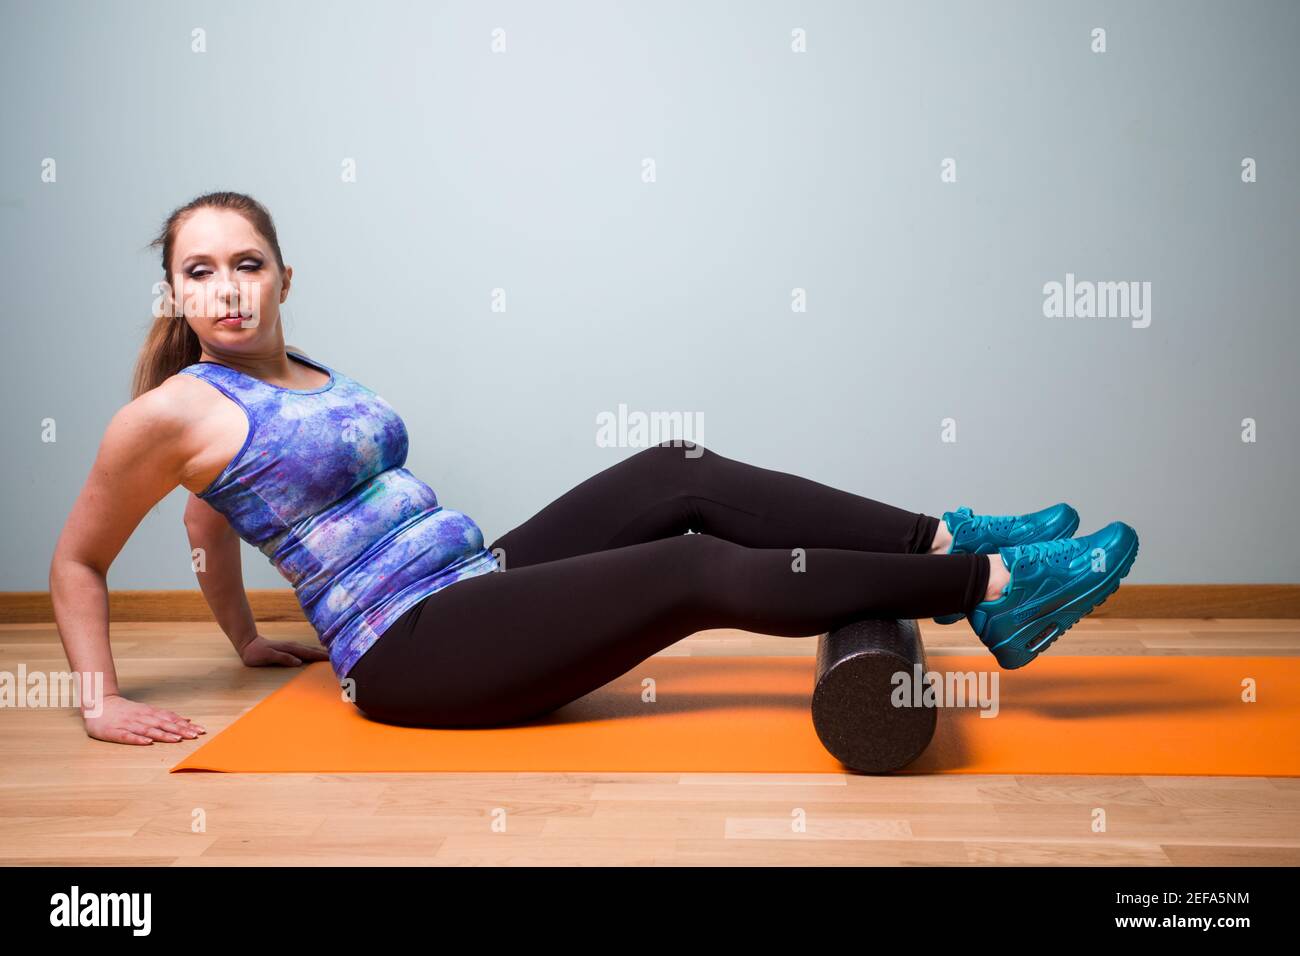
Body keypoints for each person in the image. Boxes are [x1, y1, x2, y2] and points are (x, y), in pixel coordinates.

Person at [49, 191, 1139, 744]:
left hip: (468, 586)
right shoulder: (167, 410)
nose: (227, 288)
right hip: (409, 651)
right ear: (175, 292)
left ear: (285, 274)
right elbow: (80, 559)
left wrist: (244, 638)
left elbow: (211, 520)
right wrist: (99, 698)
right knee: (688, 564)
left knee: (675, 468)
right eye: (201, 272)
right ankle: (994, 593)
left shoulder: (304, 373)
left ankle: (945, 537)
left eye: (246, 264)